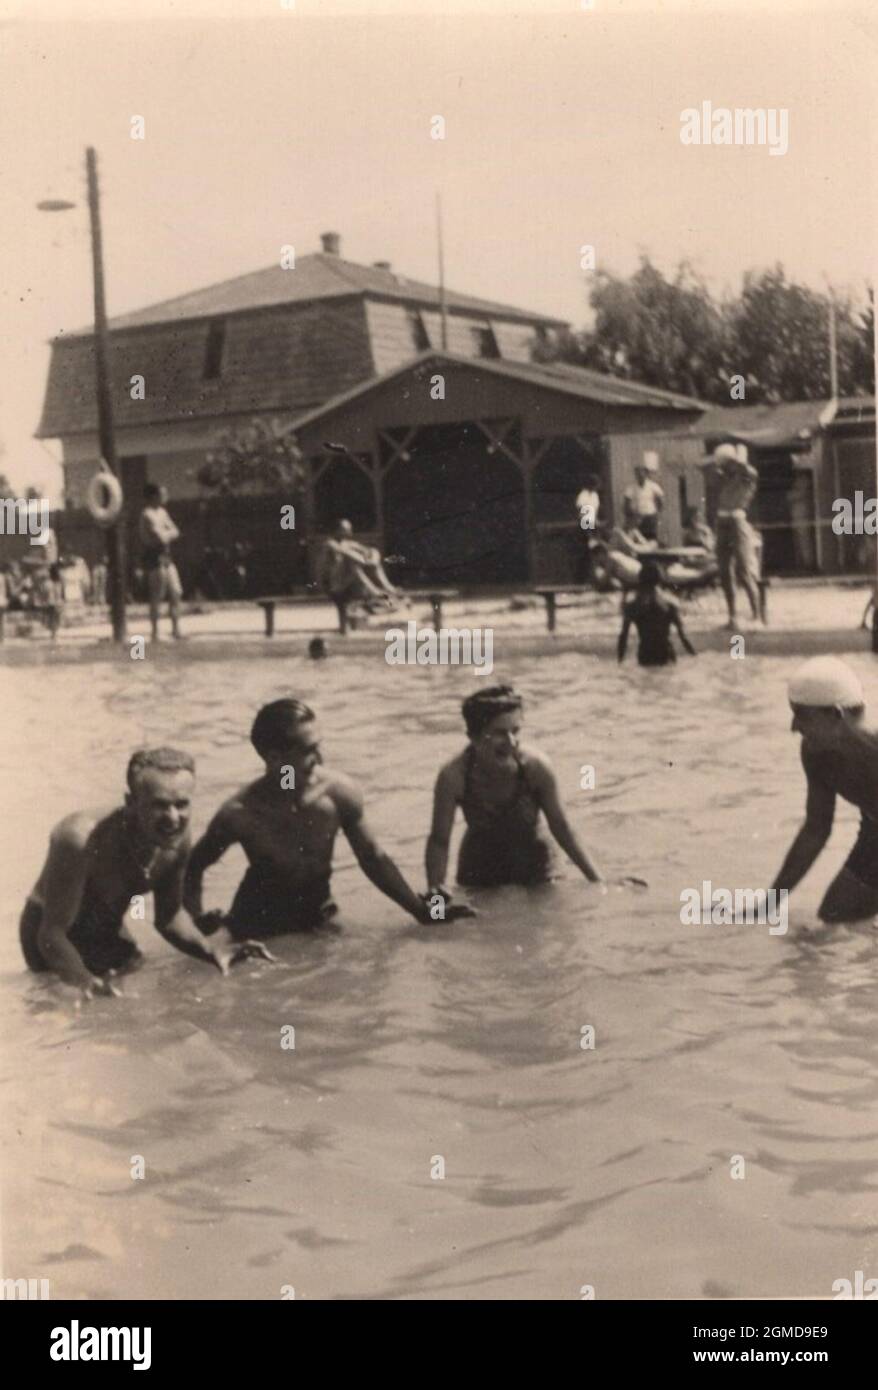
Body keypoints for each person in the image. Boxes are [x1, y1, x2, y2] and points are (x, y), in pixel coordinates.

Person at [183, 699, 474, 940]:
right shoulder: (240, 813)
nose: (320, 759)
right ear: (274, 759)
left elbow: (373, 858)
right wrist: (197, 919)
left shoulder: (337, 793)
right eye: (308, 751)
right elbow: (193, 866)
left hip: (320, 916)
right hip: (256, 925)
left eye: (319, 746)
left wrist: (425, 912)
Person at [18, 748, 269, 998]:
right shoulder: (79, 838)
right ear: (131, 803)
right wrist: (84, 981)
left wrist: (212, 951)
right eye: (159, 805)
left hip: (106, 929)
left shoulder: (176, 839)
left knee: (135, 996)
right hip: (50, 936)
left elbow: (169, 918)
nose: (172, 818)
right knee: (64, 1010)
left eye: (181, 804)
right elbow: (52, 934)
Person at [425, 684, 606, 890]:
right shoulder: (453, 776)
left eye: (516, 731)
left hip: (537, 865)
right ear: (473, 736)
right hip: (480, 868)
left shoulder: (536, 768)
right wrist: (436, 901)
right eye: (499, 733)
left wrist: (598, 881)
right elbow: (439, 841)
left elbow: (562, 828)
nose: (511, 742)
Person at [771, 657, 878, 923]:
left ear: (836, 715)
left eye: (802, 715)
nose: (794, 727)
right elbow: (816, 829)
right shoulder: (816, 754)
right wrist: (771, 902)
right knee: (834, 919)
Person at [708, 443, 762, 629]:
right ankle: (733, 617)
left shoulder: (747, 476)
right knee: (725, 572)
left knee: (744, 571)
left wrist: (738, 460)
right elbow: (711, 473)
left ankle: (757, 616)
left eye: (725, 464)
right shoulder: (724, 478)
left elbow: (749, 471)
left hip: (737, 522)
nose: (722, 468)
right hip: (722, 522)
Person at [319, 519, 400, 630]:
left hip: (347, 581)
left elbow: (372, 551)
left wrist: (373, 557)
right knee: (352, 562)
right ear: (337, 531)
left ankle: (386, 586)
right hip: (332, 584)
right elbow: (348, 554)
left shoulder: (348, 543)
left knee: (368, 556)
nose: (349, 533)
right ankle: (374, 591)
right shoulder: (329, 544)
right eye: (346, 530)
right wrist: (365, 560)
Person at [617, 559, 697, 667]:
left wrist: (619, 662)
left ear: (640, 579)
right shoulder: (670, 604)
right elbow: (684, 638)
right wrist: (696, 658)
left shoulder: (632, 606)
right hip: (666, 654)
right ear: (660, 579)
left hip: (645, 655)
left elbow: (623, 638)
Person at [139, 482, 183, 640]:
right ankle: (155, 632)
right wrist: (167, 533)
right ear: (153, 496)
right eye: (161, 494)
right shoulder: (147, 514)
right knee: (157, 595)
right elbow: (160, 537)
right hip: (154, 557)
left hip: (166, 557)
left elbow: (176, 531)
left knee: (176, 591)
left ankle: (176, 630)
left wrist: (167, 533)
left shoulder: (162, 512)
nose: (165, 496)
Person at [623, 452, 664, 542]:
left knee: (651, 538)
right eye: (637, 474)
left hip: (650, 517)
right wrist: (633, 515)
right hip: (637, 518)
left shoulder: (653, 486)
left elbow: (660, 501)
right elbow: (626, 504)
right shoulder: (631, 488)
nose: (639, 476)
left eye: (641, 473)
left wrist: (656, 513)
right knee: (639, 539)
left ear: (646, 474)